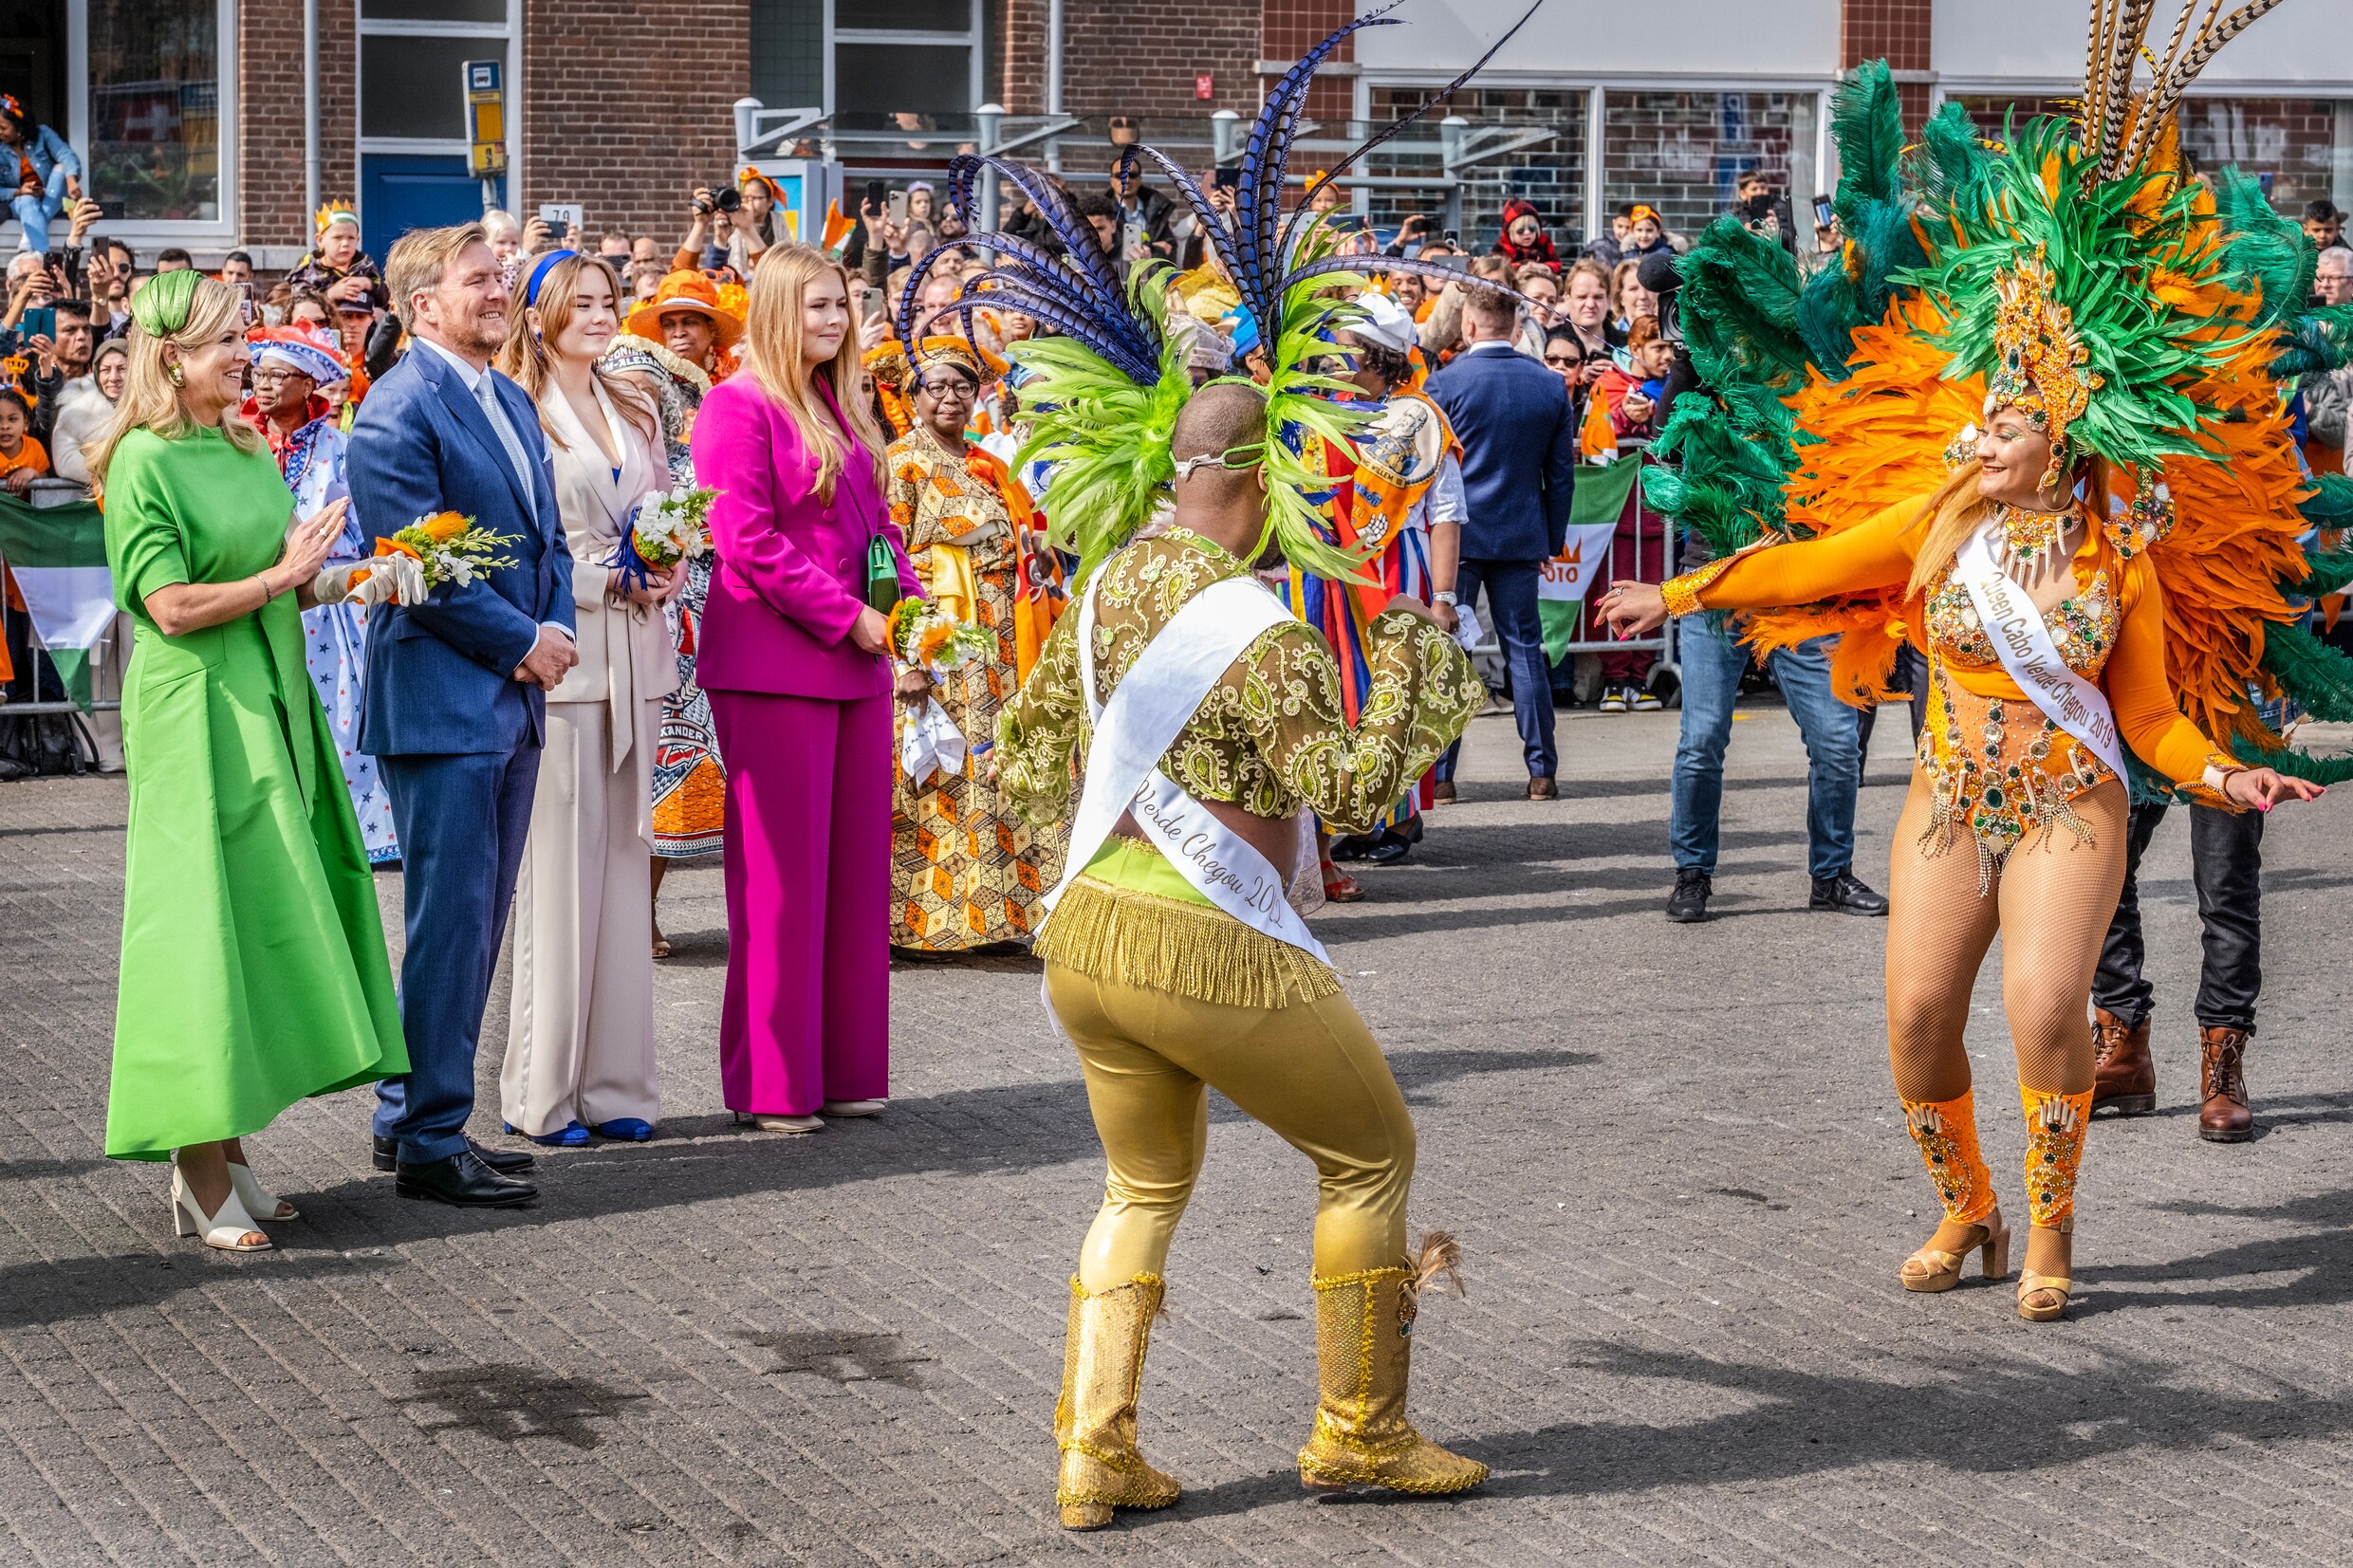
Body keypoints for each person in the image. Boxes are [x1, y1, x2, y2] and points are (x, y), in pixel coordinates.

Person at [1601, 40, 2333, 1322]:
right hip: (1947, 797)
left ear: (2064, 436)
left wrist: (2226, 776)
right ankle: (1969, 1206)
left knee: (2047, 1008)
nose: (1982, 435)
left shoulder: (2119, 559)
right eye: (1984, 418)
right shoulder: (1940, 523)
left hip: (2068, 804)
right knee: (1917, 1021)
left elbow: (2148, 717)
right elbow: (1811, 561)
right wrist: (1678, 593)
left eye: (2008, 422)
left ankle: (2049, 1231)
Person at [999, 382, 1487, 1524]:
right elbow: (1352, 793)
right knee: (1368, 1154)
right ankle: (1360, 1433)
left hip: (1087, 938)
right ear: (1263, 481)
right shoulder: (1262, 634)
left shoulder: (1101, 586)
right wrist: (1412, 651)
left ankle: (1094, 1454)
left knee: (1139, 1186)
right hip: (1210, 947)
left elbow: (1023, 752)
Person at [92, 268, 407, 1249]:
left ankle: (224, 1155)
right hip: (194, 708)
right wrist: (284, 574)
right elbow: (172, 607)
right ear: (172, 357)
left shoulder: (239, 445)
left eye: (245, 335)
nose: (248, 355)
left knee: (249, 918)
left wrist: (364, 577)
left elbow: (287, 582)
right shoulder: (141, 459)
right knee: (198, 925)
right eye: (228, 340)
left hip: (268, 700)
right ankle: (195, 1164)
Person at [346, 221, 577, 1208]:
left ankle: (411, 1116)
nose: (499, 291)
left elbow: (546, 538)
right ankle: (433, 1137)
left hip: (510, 694)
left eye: (501, 277)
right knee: (451, 921)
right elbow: (418, 565)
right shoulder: (396, 410)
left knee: (477, 920)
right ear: (422, 305)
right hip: (444, 700)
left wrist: (554, 626)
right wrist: (522, 641)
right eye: (479, 279)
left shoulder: (510, 397)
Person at [690, 244, 916, 1134]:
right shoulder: (736, 406)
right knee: (781, 883)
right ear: (781, 311)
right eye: (819, 305)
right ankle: (774, 1082)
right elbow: (744, 539)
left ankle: (846, 1066)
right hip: (776, 666)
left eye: (843, 304)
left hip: (857, 662)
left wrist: (907, 605)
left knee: (854, 879)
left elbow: (879, 527)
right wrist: (847, 614)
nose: (836, 319)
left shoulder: (841, 405)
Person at [493, 249, 678, 1145]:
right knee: (561, 880)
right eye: (583, 302)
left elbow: (670, 507)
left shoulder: (633, 403)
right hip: (564, 662)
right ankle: (542, 1093)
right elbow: (516, 545)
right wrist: (608, 579)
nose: (602, 315)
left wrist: (671, 556)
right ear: (539, 315)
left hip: (638, 656)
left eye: (610, 300)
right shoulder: (515, 408)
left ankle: (617, 1087)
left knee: (625, 874)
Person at [878, 336, 1065, 950]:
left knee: (999, 765)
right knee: (940, 768)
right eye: (936, 386)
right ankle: (924, 924)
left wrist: (1038, 555)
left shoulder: (990, 462)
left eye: (962, 385)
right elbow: (885, 565)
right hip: (941, 641)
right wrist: (905, 658)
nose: (951, 397)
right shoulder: (901, 463)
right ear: (913, 396)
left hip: (1003, 642)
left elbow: (1025, 535)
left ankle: (1001, 916)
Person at [609, 268, 743, 947]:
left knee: (709, 763)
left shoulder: (716, 423)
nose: (681, 332)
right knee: (653, 759)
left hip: (716, 611)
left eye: (693, 322)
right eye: (671, 322)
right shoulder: (622, 432)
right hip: (647, 611)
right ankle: (637, 910)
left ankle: (748, 914)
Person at [243, 325, 399, 866]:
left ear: (308, 383)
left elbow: (362, 525)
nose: (264, 385)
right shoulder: (241, 445)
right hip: (260, 596)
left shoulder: (339, 449)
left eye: (277, 376)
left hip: (328, 606)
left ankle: (355, 833)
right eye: (258, 374)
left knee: (340, 713)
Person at [1423, 284, 1578, 800]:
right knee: (1525, 651)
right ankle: (1542, 771)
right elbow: (1561, 475)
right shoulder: (1549, 385)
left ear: (1468, 326)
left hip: (1456, 538)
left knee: (1449, 652)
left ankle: (1441, 777)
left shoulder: (1445, 382)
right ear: (1515, 328)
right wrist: (1551, 538)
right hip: (1520, 532)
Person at [1328, 290, 1465, 862]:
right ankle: (1361, 815)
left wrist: (1444, 596)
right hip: (1341, 568)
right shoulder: (1332, 411)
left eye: (1343, 346)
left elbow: (1446, 514)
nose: (1332, 355)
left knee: (1394, 691)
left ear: (1371, 354)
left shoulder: (1421, 419)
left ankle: (1401, 818)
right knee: (1351, 693)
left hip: (1397, 565)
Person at [2089, 793, 2268, 1139]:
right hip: (2132, 753)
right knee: (2101, 869)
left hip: (2223, 757)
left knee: (2227, 884)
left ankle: (2222, 1059)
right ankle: (2122, 1051)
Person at [1, 93, 81, 255]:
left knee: (62, 169)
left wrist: (72, 180)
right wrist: (19, 191)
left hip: (55, 201)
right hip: (21, 205)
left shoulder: (42, 134)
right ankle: (42, 256)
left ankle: (29, 237)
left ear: (19, 126)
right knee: (27, 200)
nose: (0, 132)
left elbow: (66, 155)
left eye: (3, 128)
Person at [287, 202, 390, 316]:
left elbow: (385, 298)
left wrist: (369, 283)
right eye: (337, 237)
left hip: (360, 322)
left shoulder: (364, 265)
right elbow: (298, 304)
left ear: (357, 240)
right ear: (320, 240)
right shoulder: (309, 269)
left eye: (351, 238)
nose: (345, 243)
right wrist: (329, 294)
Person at [49, 335, 125, 486]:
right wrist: (119, 468)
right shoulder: (75, 408)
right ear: (97, 372)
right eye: (105, 370)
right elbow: (65, 461)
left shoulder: (156, 405)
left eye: (122, 369)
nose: (113, 377)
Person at [1491, 197, 1560, 273]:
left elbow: (1557, 264)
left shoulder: (1544, 243)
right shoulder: (1502, 247)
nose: (1527, 233)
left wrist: (1546, 267)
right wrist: (1519, 267)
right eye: (1520, 231)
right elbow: (1495, 269)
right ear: (1510, 233)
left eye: (1532, 228)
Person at [0, 386, 46, 492]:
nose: (5, 426)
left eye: (12, 419)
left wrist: (33, 473)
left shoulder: (34, 447)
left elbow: (47, 486)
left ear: (26, 422)